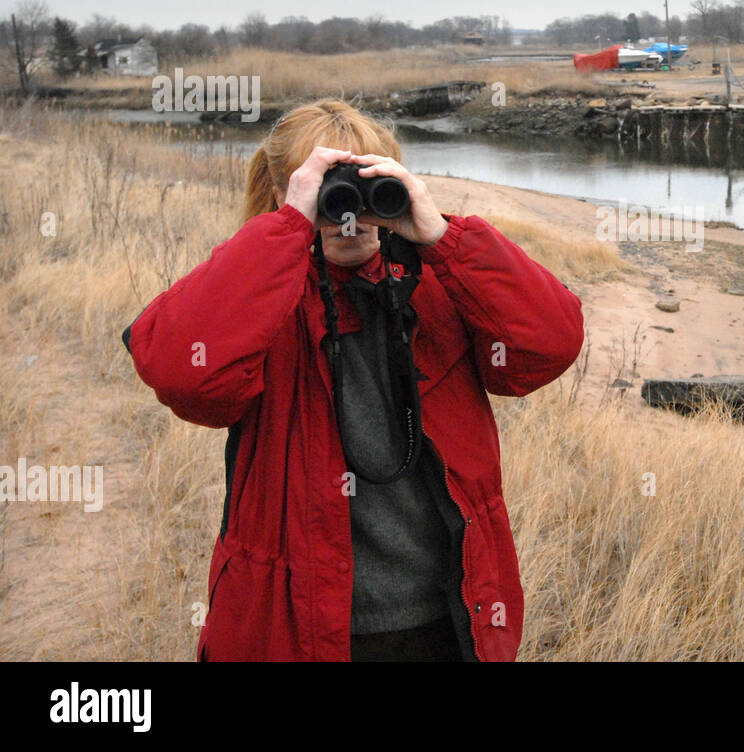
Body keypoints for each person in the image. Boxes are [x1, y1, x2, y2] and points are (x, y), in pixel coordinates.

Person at [122, 100, 584, 661]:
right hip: (295, 630)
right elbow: (183, 375)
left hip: (450, 621)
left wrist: (442, 236)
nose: (351, 213)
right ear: (285, 196)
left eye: (371, 185)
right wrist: (286, 232)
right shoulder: (259, 306)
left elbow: (548, 346)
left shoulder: (437, 287)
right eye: (331, 193)